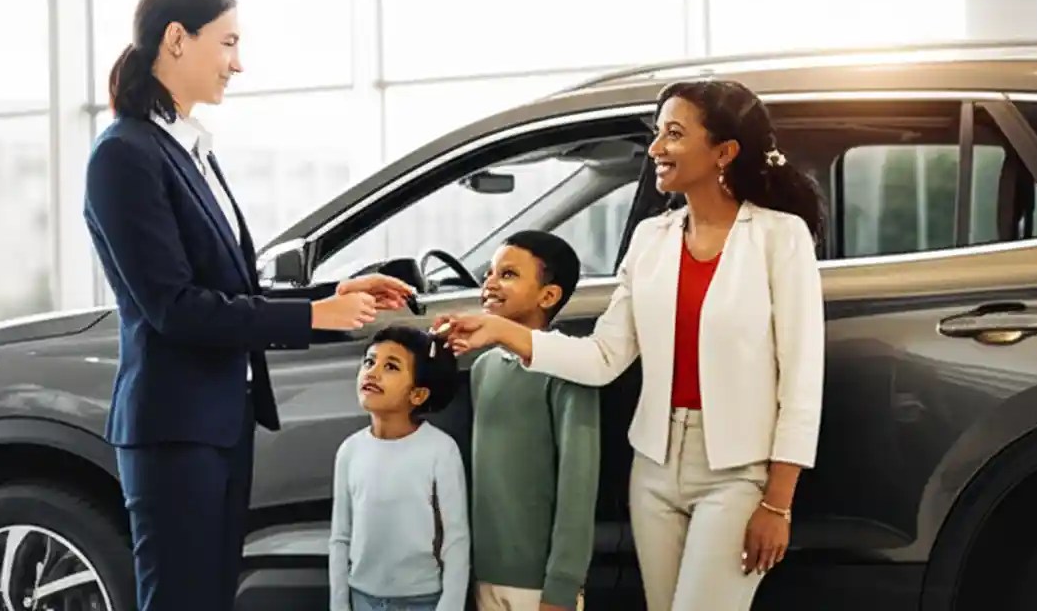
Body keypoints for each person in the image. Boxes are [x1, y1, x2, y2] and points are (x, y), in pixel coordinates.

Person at [84, 0, 414, 611]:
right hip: (174, 428)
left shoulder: (188, 150)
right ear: (177, 39)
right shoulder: (123, 155)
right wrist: (317, 314)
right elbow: (175, 308)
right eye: (228, 43)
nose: (239, 63)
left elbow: (233, 287)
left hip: (219, 423)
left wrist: (335, 293)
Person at [434, 79, 826, 611]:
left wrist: (777, 504)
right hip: (654, 470)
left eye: (674, 134)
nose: (657, 148)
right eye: (658, 133)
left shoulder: (781, 238)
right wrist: (504, 331)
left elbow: (802, 380)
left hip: (737, 475)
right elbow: (601, 358)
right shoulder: (651, 239)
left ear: (724, 153)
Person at [469, 231, 599, 611]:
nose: (490, 283)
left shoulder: (567, 371)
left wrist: (561, 586)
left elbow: (579, 486)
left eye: (507, 275)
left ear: (548, 296)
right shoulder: (484, 368)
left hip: (540, 586)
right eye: (488, 274)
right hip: (487, 575)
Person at [329, 325, 469, 611]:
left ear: (418, 395)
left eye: (391, 366)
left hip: (422, 600)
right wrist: (340, 603)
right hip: (362, 596)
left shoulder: (440, 450)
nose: (373, 371)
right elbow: (340, 538)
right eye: (369, 361)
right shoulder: (350, 450)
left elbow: (456, 540)